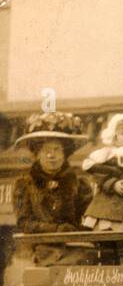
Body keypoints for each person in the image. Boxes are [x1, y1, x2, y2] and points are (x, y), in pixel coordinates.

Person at [11, 112, 92, 264]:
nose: (51, 155)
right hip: (43, 247)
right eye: (45, 150)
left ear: (65, 154)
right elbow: (25, 223)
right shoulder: (25, 185)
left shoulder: (80, 184)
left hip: (76, 246)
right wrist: (55, 229)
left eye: (57, 149)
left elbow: (88, 219)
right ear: (37, 154)